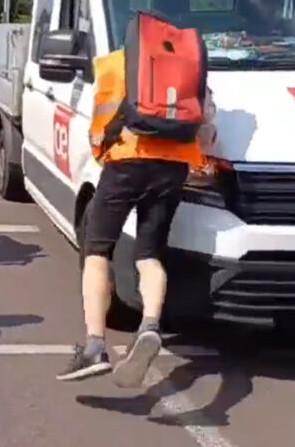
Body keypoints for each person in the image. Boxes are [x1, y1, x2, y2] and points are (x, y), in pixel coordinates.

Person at [57, 38, 215, 387]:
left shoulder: (118, 62)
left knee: (97, 250)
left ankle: (95, 347)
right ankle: (150, 324)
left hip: (127, 162)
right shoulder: (190, 63)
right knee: (148, 252)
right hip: (173, 167)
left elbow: (102, 118)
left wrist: (102, 153)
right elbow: (207, 122)